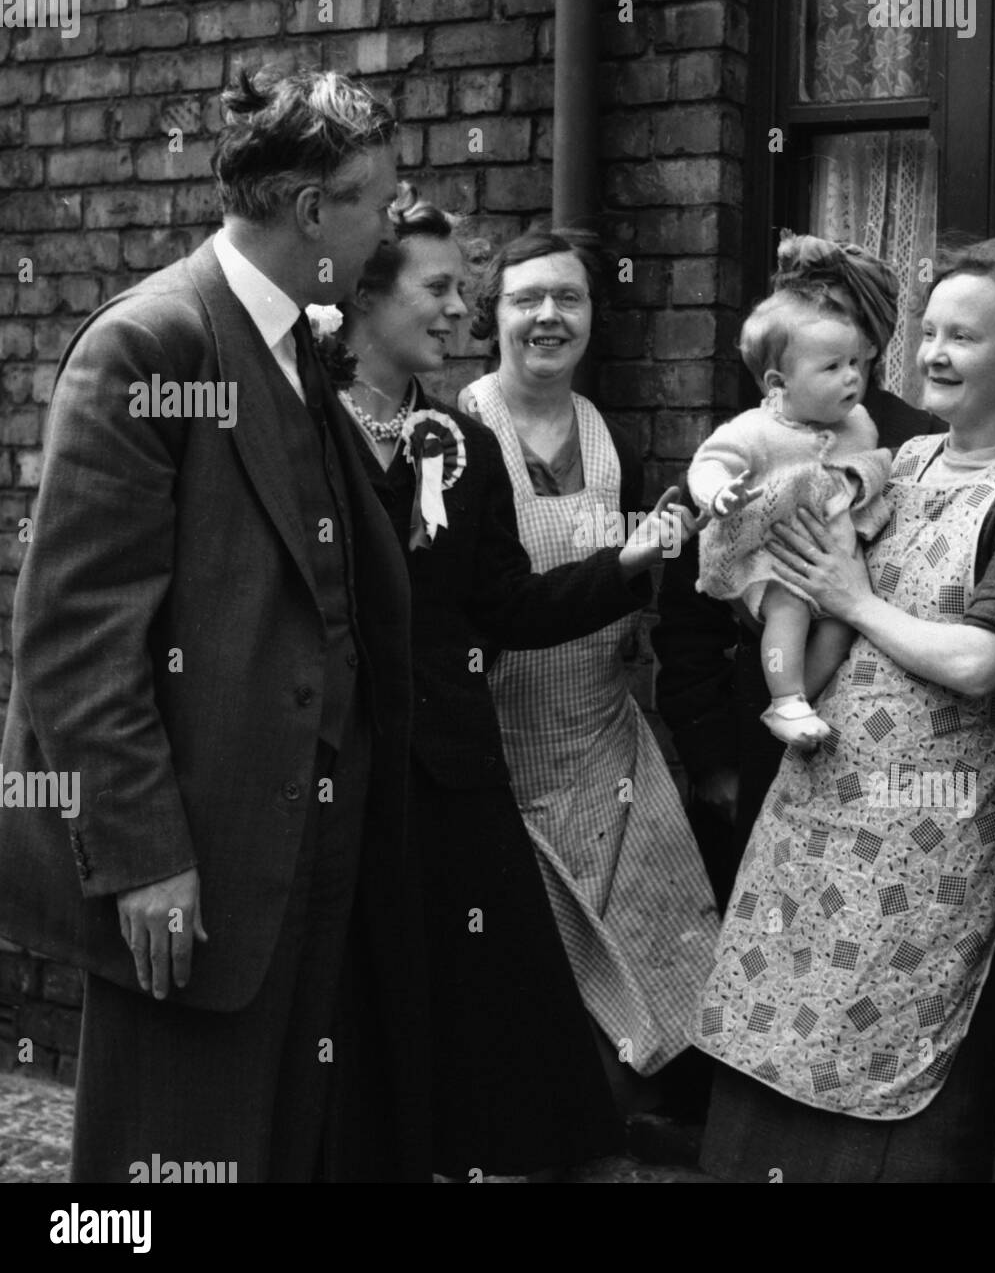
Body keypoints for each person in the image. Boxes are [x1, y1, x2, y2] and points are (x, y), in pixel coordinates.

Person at [0, 66, 426, 1181]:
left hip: (307, 830)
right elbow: (74, 633)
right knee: (162, 1156)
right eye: (377, 198)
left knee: (277, 1143)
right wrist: (143, 857)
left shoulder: (290, 340)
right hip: (193, 855)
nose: (391, 221)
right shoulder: (151, 341)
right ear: (309, 210)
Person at [692, 237, 995, 1182]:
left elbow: (984, 661)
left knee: (886, 1061)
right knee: (772, 1035)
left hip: (927, 825)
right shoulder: (896, 458)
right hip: (815, 801)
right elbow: (778, 558)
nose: (934, 353)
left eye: (966, 335)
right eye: (929, 331)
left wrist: (853, 598)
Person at [315, 191, 695, 1174]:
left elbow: (504, 606)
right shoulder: (297, 431)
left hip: (454, 776)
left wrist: (626, 566)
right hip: (335, 776)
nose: (459, 312)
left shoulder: (461, 443)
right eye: (440, 289)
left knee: (510, 1021)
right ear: (366, 293)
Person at [458, 228, 719, 1106]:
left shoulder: (606, 436)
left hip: (606, 743)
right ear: (492, 315)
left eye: (568, 298)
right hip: (504, 755)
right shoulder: (459, 437)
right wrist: (630, 562)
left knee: (657, 931)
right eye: (526, 298)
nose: (547, 315)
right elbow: (498, 607)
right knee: (535, 961)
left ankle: (623, 1128)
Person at [653, 234, 941, 907]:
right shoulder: (754, 437)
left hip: (888, 740)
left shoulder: (917, 439)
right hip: (765, 730)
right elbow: (688, 617)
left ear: (869, 342)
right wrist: (712, 758)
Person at [686, 290, 891, 750]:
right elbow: (707, 463)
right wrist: (718, 493)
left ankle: (801, 702)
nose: (852, 377)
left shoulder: (858, 422)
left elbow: (868, 467)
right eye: (832, 367)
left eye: (856, 363)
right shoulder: (755, 431)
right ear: (779, 383)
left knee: (841, 627)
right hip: (769, 556)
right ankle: (785, 698)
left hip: (832, 558)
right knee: (789, 610)